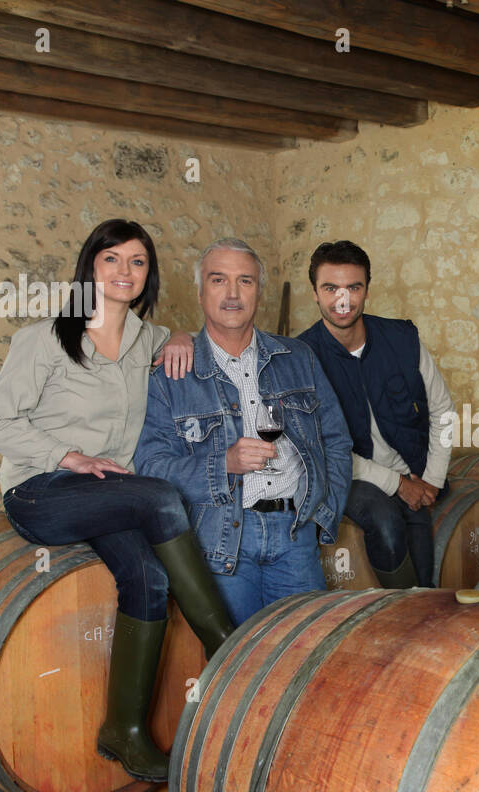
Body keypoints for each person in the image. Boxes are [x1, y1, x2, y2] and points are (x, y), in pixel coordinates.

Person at [0, 218, 236, 785]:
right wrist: (66, 454)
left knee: (149, 579)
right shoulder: (45, 338)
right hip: (41, 490)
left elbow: (182, 338)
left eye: (137, 262)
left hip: (109, 494)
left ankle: (123, 731)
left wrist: (181, 338)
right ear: (90, 267)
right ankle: (230, 650)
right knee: (163, 498)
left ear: (148, 276)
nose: (125, 272)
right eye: (112, 260)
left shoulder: (150, 339)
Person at [135, 238, 352, 625]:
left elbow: (335, 439)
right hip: (220, 541)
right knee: (236, 665)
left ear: (258, 292)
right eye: (219, 281)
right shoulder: (170, 376)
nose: (233, 294)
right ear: (201, 293)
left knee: (304, 655)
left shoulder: (298, 358)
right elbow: (152, 467)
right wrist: (225, 464)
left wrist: (322, 513)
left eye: (245, 281)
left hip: (295, 536)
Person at [298, 240, 455, 588]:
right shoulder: (301, 357)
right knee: (385, 519)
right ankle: (400, 615)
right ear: (314, 293)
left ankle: (418, 614)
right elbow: (322, 448)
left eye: (353, 287)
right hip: (346, 476)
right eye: (330, 288)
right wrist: (396, 484)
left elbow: (444, 411)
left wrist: (432, 478)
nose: (343, 300)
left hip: (414, 474)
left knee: (424, 578)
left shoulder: (403, 339)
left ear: (367, 289)